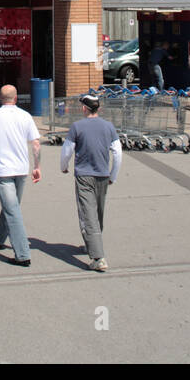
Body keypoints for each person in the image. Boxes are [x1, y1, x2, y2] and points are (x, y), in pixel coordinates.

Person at [0, 84, 42, 266]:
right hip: (21, 169)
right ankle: (0, 238)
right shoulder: (25, 116)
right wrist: (37, 166)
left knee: (12, 209)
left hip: (3, 171)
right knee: (12, 207)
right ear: (16, 98)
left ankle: (22, 255)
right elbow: (36, 144)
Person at [60, 94, 123, 272]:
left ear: (83, 108)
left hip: (84, 175)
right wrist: (113, 175)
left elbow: (67, 151)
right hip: (103, 174)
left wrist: (63, 167)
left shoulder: (77, 127)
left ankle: (98, 257)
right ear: (99, 109)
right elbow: (118, 153)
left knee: (87, 214)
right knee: (98, 212)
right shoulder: (108, 126)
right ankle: (92, 244)